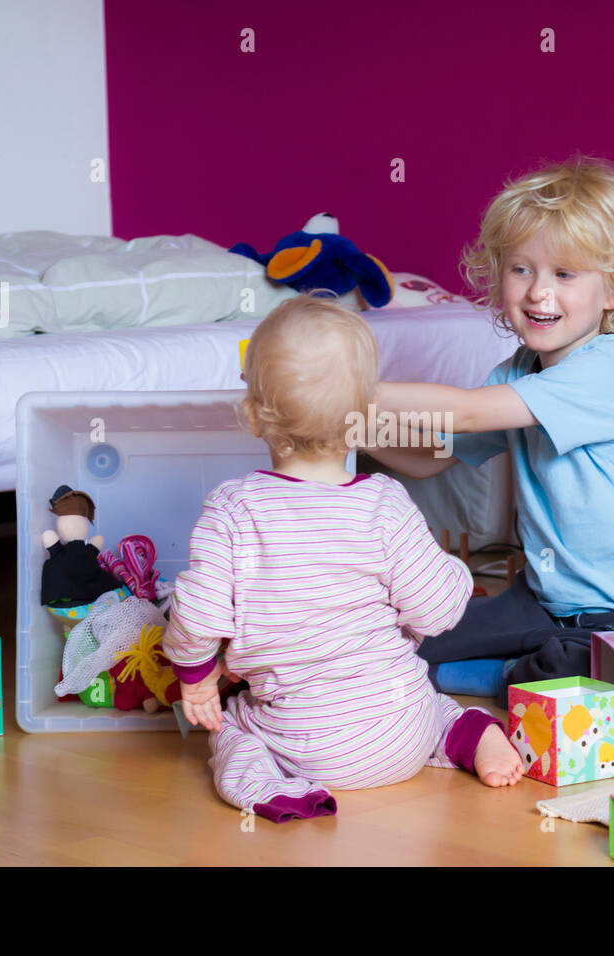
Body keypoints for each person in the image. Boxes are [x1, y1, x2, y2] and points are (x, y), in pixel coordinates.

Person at [164, 294, 523, 824]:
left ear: (254, 418)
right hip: (401, 730)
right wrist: (454, 571)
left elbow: (195, 613)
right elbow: (437, 612)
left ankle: (272, 790)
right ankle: (473, 736)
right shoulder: (383, 501)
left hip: (303, 746)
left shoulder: (233, 507)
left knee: (232, 726)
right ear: (365, 418)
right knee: (434, 704)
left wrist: (194, 677)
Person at [368, 155, 614, 702]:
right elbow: (430, 457)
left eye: (565, 274)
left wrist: (350, 389)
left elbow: (467, 412)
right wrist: (344, 426)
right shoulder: (515, 373)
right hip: (541, 601)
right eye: (521, 269)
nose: (538, 292)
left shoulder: (608, 367)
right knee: (398, 641)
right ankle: (492, 668)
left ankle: (501, 676)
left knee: (586, 671)